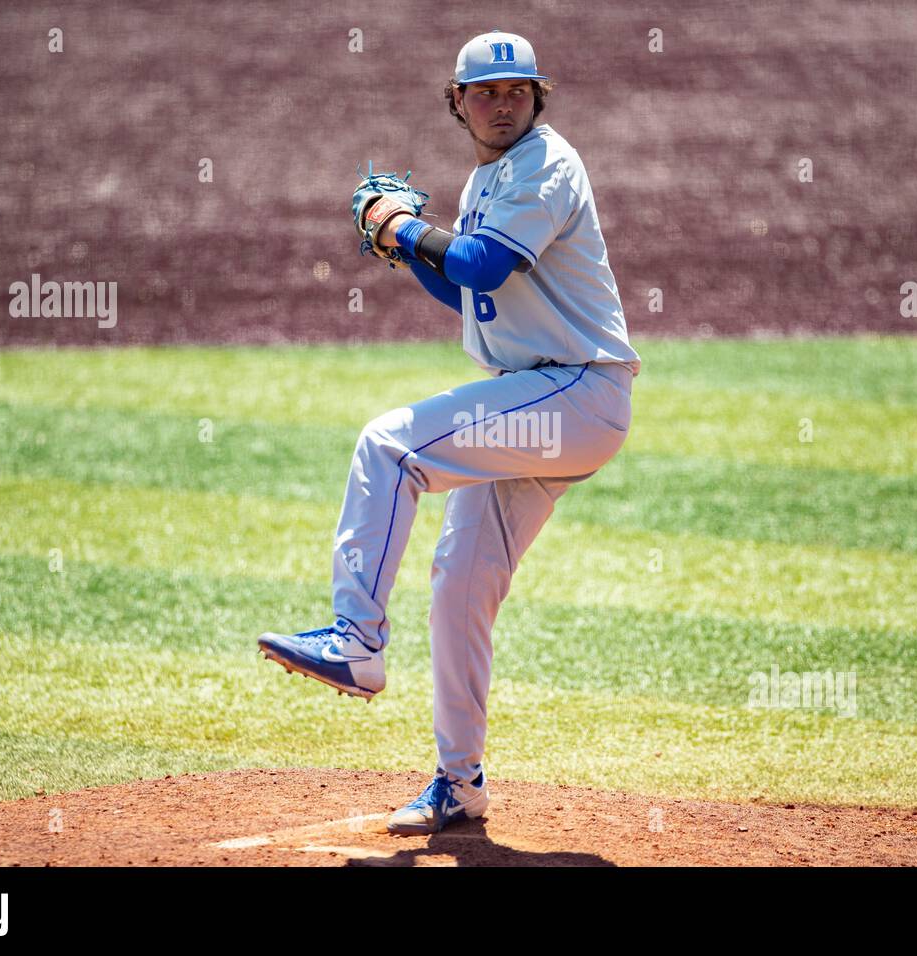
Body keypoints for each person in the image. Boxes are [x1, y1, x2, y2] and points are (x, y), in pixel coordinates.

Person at [258, 29, 641, 836]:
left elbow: (480, 266)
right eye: (484, 93)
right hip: (537, 399)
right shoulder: (485, 182)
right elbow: (470, 292)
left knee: (388, 445)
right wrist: (404, 248)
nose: (502, 104)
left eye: (516, 91)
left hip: (574, 392)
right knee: (460, 585)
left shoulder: (545, 163)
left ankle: (356, 641)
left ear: (538, 97)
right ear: (458, 102)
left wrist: (397, 227)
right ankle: (459, 784)